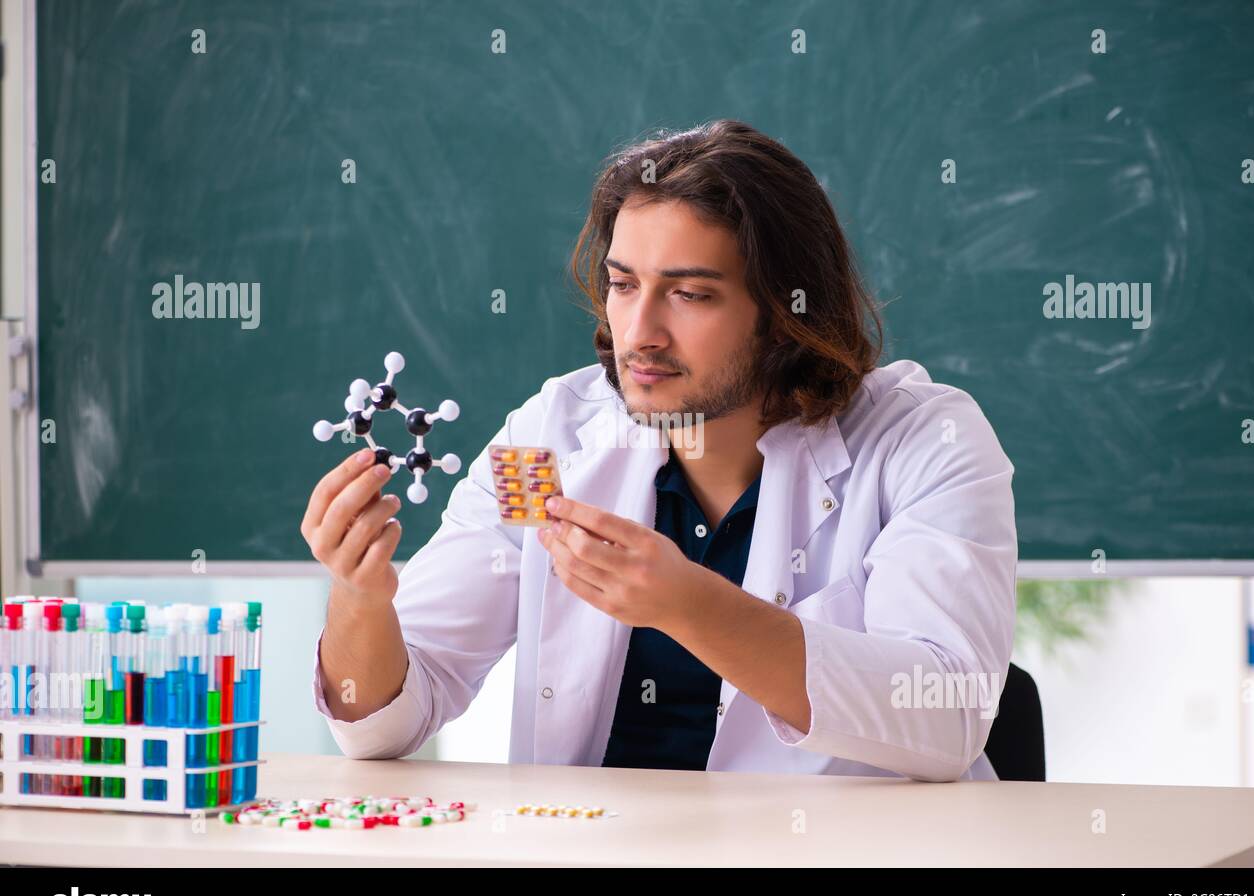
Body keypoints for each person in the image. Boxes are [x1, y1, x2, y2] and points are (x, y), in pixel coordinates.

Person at [301, 119, 1017, 781]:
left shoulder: (925, 441)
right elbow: (381, 721)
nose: (637, 332)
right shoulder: (550, 438)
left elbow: (948, 716)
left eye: (690, 295)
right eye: (621, 284)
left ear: (784, 312)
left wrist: (688, 605)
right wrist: (360, 598)